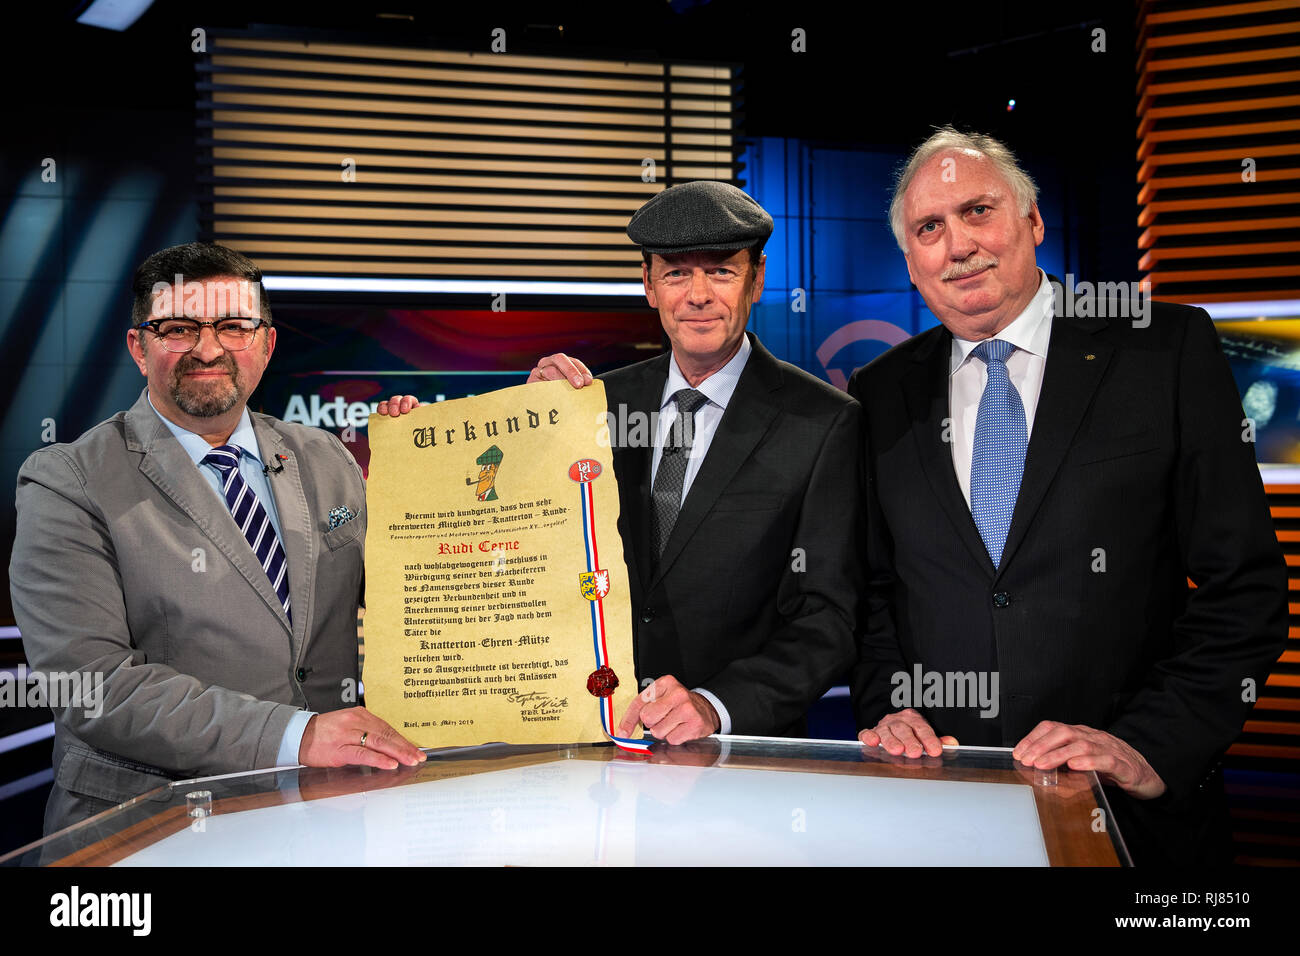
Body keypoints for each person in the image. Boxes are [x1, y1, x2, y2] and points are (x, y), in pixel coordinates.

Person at [849, 128, 1288, 864]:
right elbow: (871, 594)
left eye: (978, 211)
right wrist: (894, 707)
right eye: (931, 228)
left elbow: (1243, 586)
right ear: (912, 263)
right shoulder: (880, 393)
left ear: (1032, 221)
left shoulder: (1164, 349)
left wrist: (1150, 745)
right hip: (936, 807)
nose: (958, 245)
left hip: (1131, 824)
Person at [385, 181, 863, 743]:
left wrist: (716, 705)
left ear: (757, 279)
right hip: (587, 744)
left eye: (722, 271)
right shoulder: (592, 406)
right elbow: (505, 540)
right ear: (649, 285)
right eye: (677, 273)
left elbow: (829, 619)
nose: (699, 294)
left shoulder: (823, 422)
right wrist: (425, 451)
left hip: (740, 757)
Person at [11, 242, 424, 834]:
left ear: (266, 343)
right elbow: (92, 685)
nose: (208, 349)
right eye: (178, 328)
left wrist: (541, 421)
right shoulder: (67, 479)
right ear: (139, 346)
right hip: (154, 829)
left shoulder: (327, 457)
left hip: (332, 818)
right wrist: (297, 734)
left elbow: (421, 592)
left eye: (233, 326)